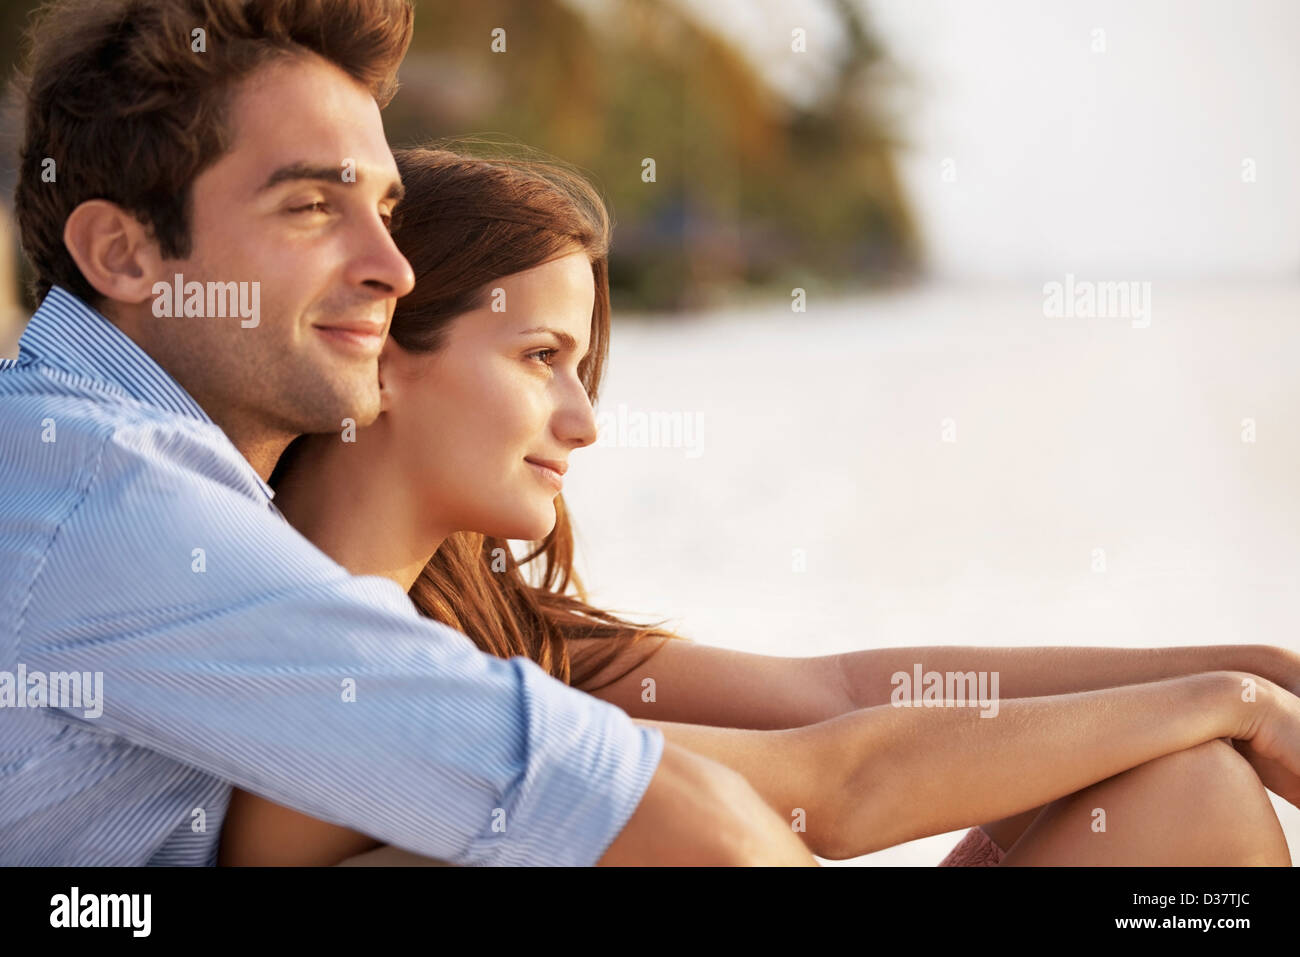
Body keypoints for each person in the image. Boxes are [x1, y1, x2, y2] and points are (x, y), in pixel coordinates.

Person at [217, 145, 1300, 866]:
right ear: (380, 353)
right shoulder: (334, 681)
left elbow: (833, 692)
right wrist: (1232, 700)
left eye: (582, 368)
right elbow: (836, 783)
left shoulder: (503, 640)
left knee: (1183, 788)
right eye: (539, 357)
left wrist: (1252, 672)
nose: (583, 422)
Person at [0, 0, 817, 866]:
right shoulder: (106, 497)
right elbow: (664, 818)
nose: (394, 269)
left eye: (385, 211)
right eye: (312, 204)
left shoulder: (77, 465)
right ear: (124, 256)